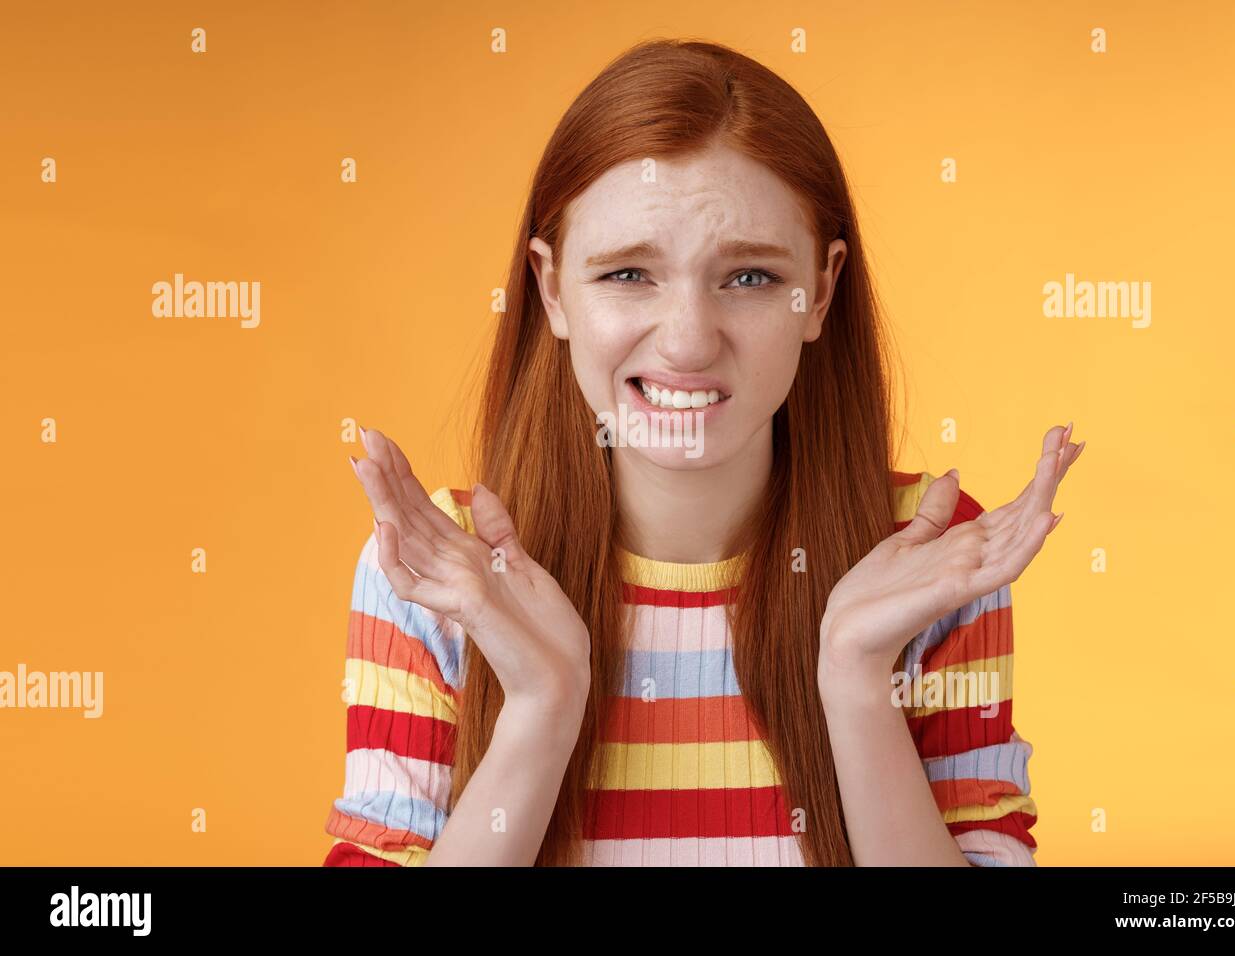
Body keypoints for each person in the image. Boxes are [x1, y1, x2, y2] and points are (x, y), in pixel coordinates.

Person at [322, 37, 1083, 867]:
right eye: (627, 275)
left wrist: (858, 681)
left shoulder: (927, 560)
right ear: (551, 289)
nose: (687, 342)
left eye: (750, 276)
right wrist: (541, 709)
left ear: (819, 292)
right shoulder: (438, 577)